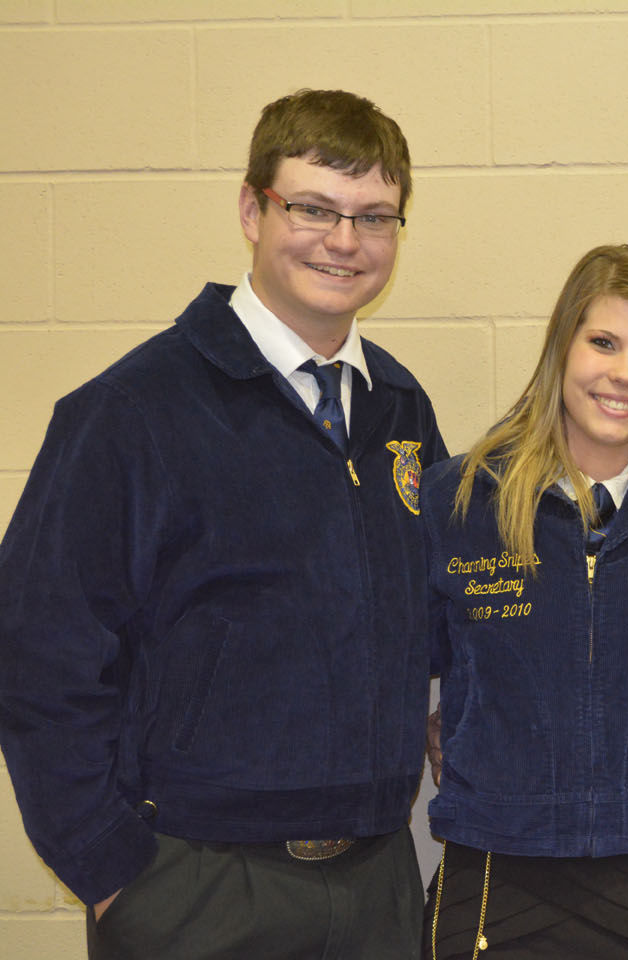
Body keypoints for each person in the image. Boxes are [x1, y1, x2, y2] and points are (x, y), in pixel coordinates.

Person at [0, 89, 445, 959]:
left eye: (375, 217)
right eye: (313, 207)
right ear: (252, 209)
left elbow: (427, 611)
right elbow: (36, 649)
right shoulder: (132, 412)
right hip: (198, 890)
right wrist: (112, 871)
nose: (345, 241)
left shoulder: (397, 406)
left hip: (379, 885)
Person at [421, 244, 628, 959]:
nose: (624, 375)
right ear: (561, 348)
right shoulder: (459, 500)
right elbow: (419, 653)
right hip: (501, 867)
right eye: (603, 342)